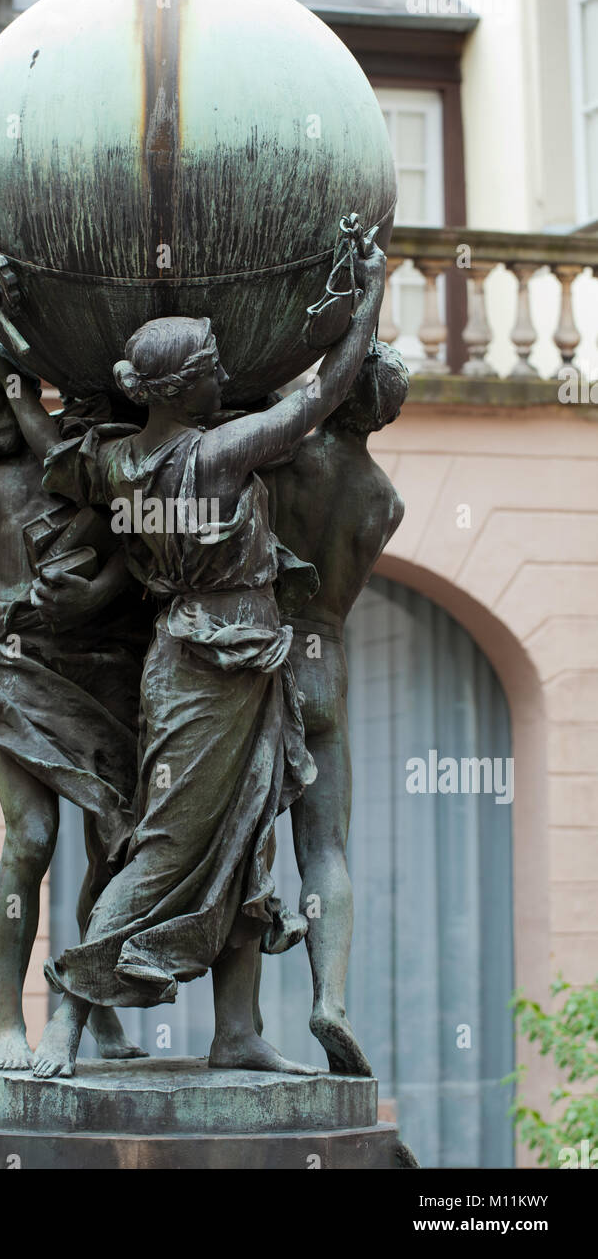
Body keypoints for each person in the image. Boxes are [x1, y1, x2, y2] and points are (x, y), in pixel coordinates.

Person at [24, 230, 387, 1079]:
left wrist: (13, 394)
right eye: (215, 367)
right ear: (187, 388)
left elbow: (55, 460)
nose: (226, 376)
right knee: (167, 849)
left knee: (243, 840)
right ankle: (66, 1021)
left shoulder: (118, 460)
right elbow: (324, 394)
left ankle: (238, 1034)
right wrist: (368, 293)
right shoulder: (217, 453)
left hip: (211, 657)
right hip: (220, 664)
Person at [0, 254, 150, 1070]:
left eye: (1, 396)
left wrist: (101, 595)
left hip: (113, 670)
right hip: (23, 675)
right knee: (28, 839)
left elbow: (139, 535)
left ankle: (88, 1010)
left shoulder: (72, 465)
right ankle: (4, 1024)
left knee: (116, 849)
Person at [263, 339, 409, 1076]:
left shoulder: (287, 453)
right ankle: (332, 1000)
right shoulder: (385, 501)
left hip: (267, 651)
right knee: (325, 847)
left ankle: (243, 1023)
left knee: (245, 840)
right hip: (330, 657)